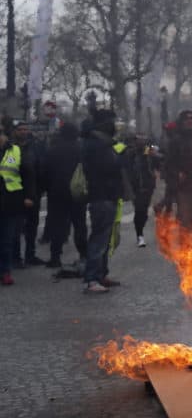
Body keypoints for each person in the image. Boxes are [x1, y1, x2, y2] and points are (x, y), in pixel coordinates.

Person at [81, 109, 126, 293]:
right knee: (99, 239)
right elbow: (108, 167)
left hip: (108, 195)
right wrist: (120, 157)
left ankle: (101, 274)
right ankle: (92, 279)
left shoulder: (103, 143)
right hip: (101, 196)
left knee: (105, 239)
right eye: (113, 122)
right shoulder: (97, 144)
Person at [41, 122, 88, 268]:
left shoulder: (52, 150)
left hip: (57, 193)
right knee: (79, 224)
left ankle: (55, 256)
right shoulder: (81, 150)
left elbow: (45, 172)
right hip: (77, 193)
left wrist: (46, 188)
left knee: (58, 224)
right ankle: (83, 255)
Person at [0, 125, 37, 285]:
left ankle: (5, 271)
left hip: (10, 200)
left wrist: (29, 196)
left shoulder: (15, 151)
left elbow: (28, 174)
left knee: (7, 239)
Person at [163, 110, 192, 227]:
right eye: (187, 120)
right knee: (186, 220)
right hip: (184, 188)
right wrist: (177, 174)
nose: (190, 122)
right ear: (181, 122)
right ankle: (186, 243)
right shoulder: (175, 141)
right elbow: (168, 165)